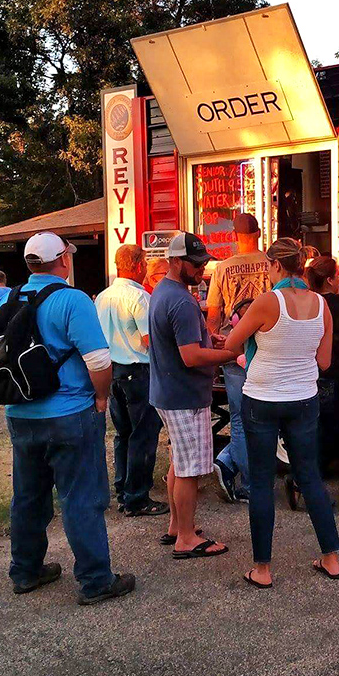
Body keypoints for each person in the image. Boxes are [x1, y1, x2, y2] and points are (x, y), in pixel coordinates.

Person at [0, 232, 135, 604]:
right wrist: (102, 397)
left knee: (27, 495)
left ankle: (25, 571)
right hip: (70, 413)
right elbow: (99, 361)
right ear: (64, 260)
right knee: (80, 497)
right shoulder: (72, 300)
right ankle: (95, 580)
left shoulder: (5, 298)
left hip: (20, 413)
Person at [224, 237, 339, 589]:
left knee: (261, 482)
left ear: (274, 266)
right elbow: (324, 361)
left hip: (262, 398)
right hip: (304, 398)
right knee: (310, 477)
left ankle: (262, 569)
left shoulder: (266, 301)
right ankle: (331, 558)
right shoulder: (322, 305)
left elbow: (232, 343)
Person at [148, 231, 236, 558]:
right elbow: (191, 357)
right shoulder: (182, 300)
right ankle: (186, 538)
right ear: (175, 261)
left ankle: (176, 526)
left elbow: (184, 344)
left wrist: (206, 339)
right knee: (189, 470)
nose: (202, 269)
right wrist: (232, 353)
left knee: (177, 463)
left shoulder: (164, 291)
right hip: (185, 397)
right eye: (196, 263)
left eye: (203, 262)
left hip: (167, 392)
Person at [284, 256, 339, 510]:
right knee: (330, 430)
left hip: (307, 372)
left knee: (311, 429)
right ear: (330, 279)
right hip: (333, 373)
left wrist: (337, 285)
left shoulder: (307, 301)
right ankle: (307, 485)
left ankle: (301, 479)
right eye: (336, 275)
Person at [95, 244, 166, 518]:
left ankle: (123, 489)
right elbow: (150, 340)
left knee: (123, 433)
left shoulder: (102, 297)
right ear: (138, 266)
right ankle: (138, 497)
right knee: (144, 435)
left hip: (112, 370)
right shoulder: (140, 297)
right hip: (139, 369)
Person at [206, 212, 270, 504]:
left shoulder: (222, 268)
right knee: (269, 417)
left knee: (240, 419)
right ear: (258, 234)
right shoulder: (272, 264)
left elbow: (214, 313)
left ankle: (247, 484)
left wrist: (214, 346)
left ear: (234, 236)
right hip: (268, 348)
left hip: (234, 350)